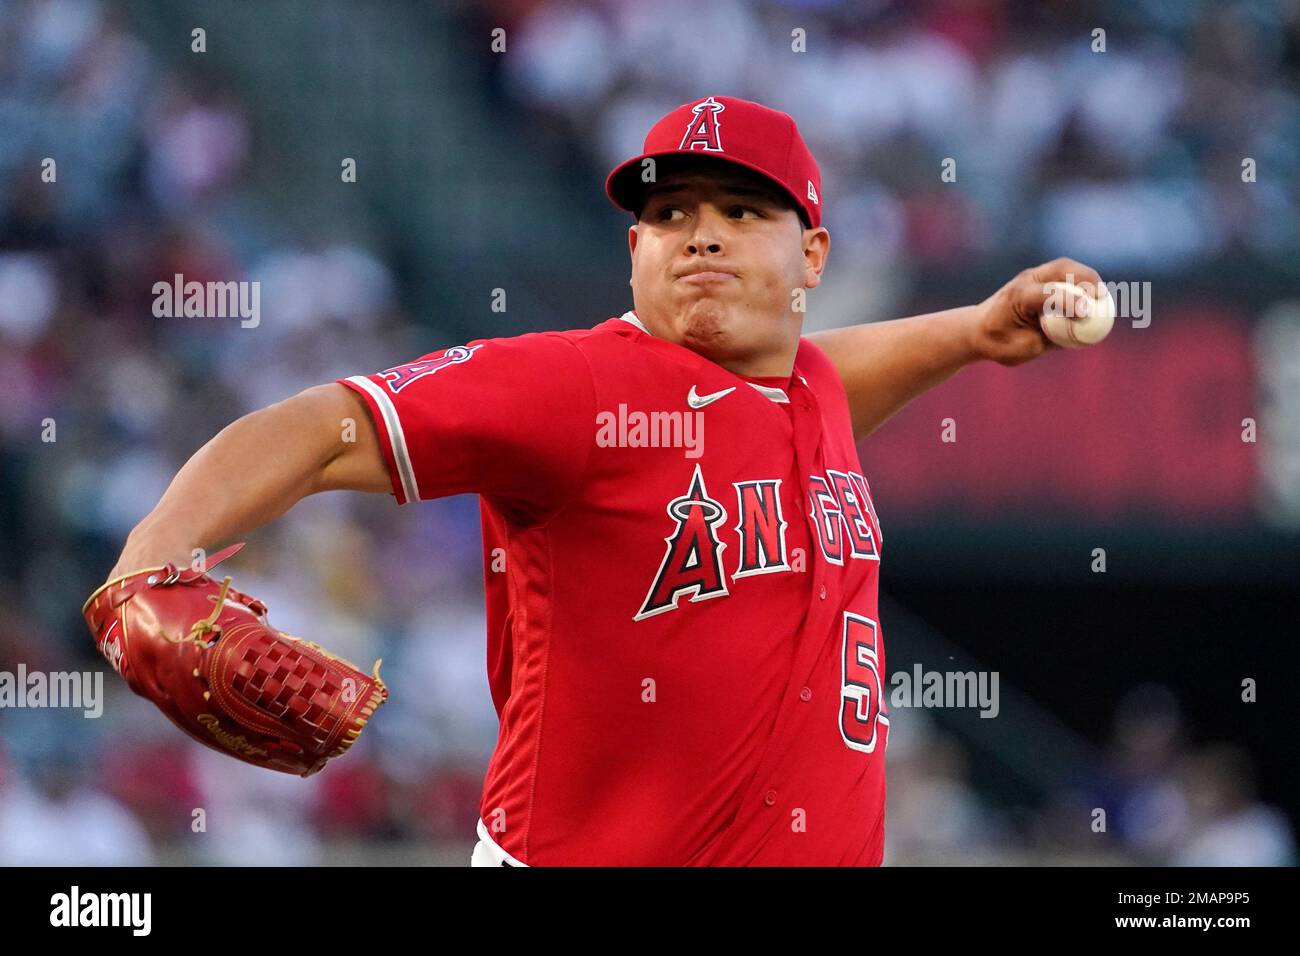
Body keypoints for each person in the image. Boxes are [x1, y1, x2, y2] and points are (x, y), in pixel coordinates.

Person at [104, 95, 1105, 866]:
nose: (701, 233)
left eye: (741, 210)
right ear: (634, 250)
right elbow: (319, 425)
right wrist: (150, 562)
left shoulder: (804, 389)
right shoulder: (578, 385)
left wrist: (973, 332)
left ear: (811, 255)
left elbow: (821, 376)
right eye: (670, 212)